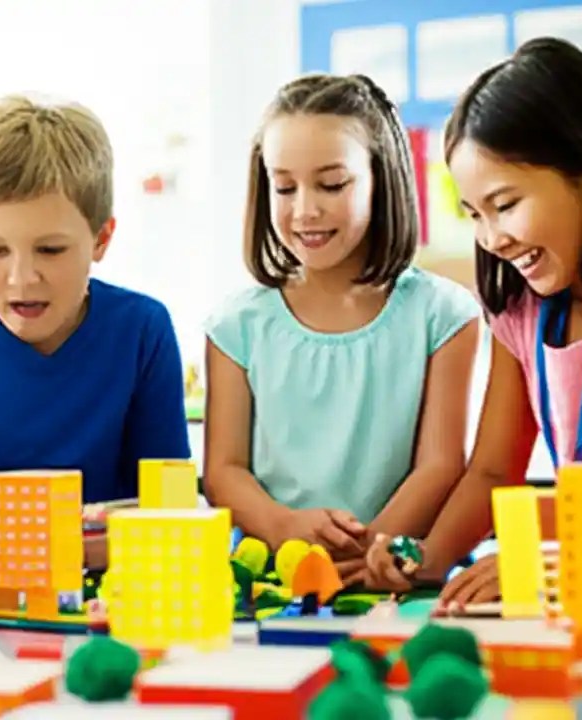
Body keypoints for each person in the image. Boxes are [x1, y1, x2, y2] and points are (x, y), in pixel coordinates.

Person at [365, 37, 582, 609]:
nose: (492, 238)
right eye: (474, 213)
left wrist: (549, 559)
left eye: (506, 203)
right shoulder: (522, 307)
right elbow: (494, 471)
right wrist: (425, 557)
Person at [203, 73, 480, 585]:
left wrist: (372, 550)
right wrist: (284, 526)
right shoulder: (235, 325)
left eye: (332, 184)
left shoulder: (444, 314)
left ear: (383, 177)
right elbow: (224, 470)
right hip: (269, 577)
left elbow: (441, 465)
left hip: (398, 570)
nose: (305, 209)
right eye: (284, 186)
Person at [0, 94, 191, 521]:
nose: (21, 278)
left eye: (49, 250)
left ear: (101, 239)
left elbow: (170, 508)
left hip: (109, 583)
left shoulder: (142, 331)